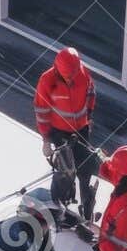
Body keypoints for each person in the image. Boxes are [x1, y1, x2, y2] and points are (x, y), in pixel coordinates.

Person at [34, 47, 98, 231]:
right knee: (65, 170)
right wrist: (46, 139)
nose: (70, 79)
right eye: (67, 76)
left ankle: (87, 210)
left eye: (73, 75)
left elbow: (91, 93)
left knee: (85, 170)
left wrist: (89, 116)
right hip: (58, 132)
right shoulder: (48, 81)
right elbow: (42, 111)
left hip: (81, 128)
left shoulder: (82, 72)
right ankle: (59, 206)